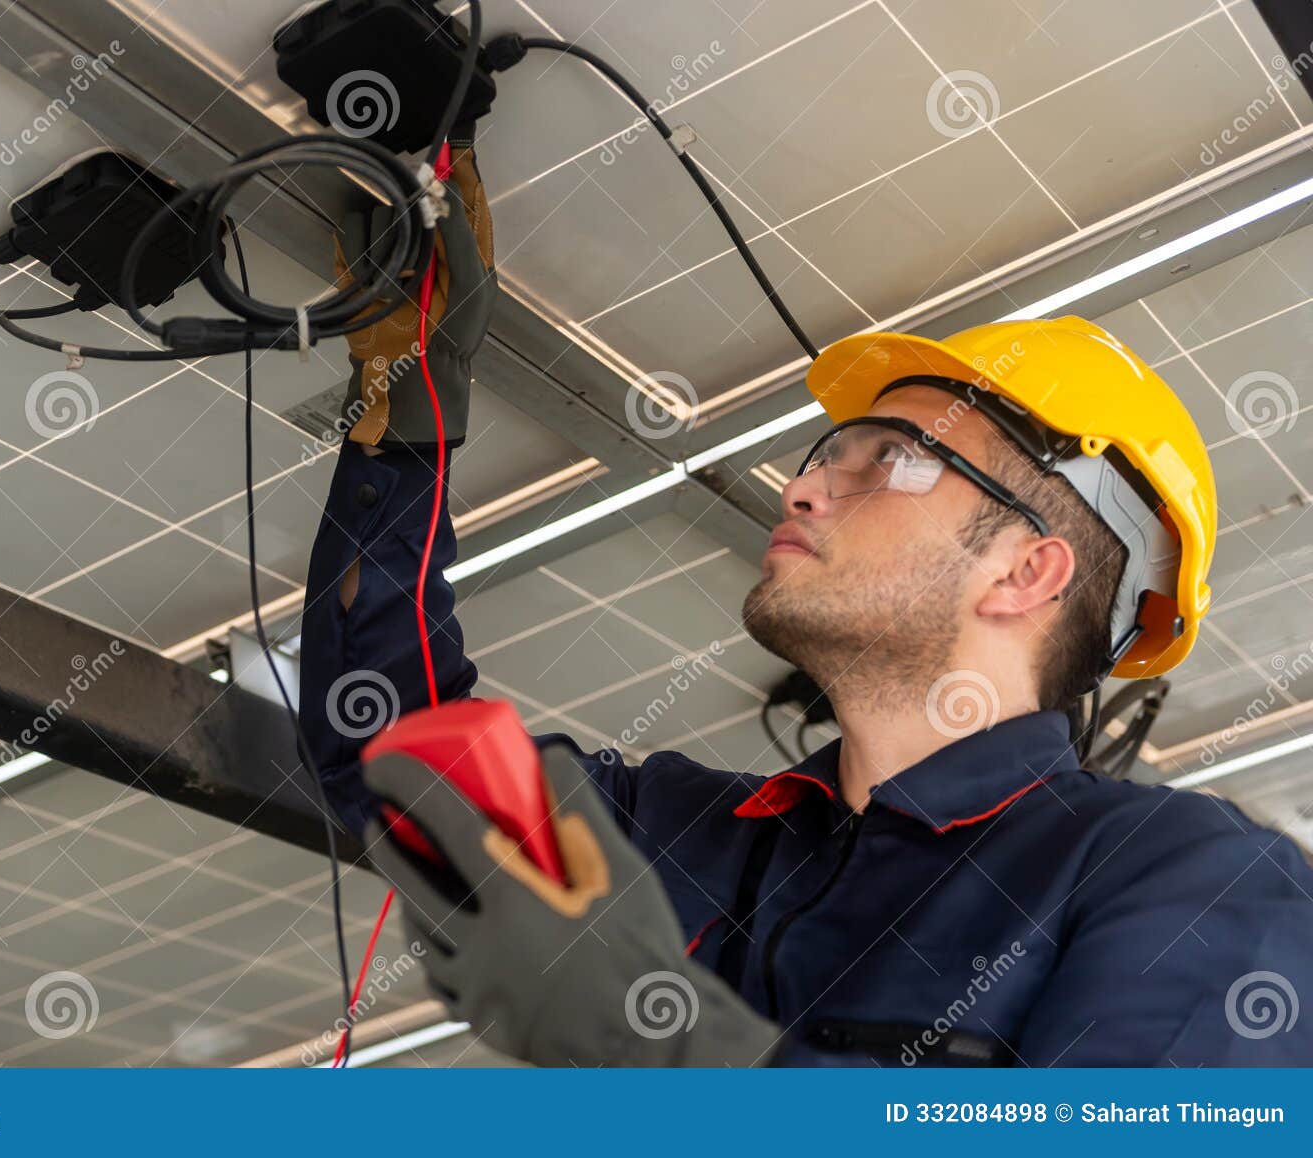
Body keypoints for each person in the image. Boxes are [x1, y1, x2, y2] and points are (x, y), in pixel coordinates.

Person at [299, 144, 1313, 1067]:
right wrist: (407, 401)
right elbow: (393, 747)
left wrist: (653, 1043)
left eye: (895, 461)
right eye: (828, 453)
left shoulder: (1193, 881)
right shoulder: (682, 834)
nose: (802, 488)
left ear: (1024, 574)